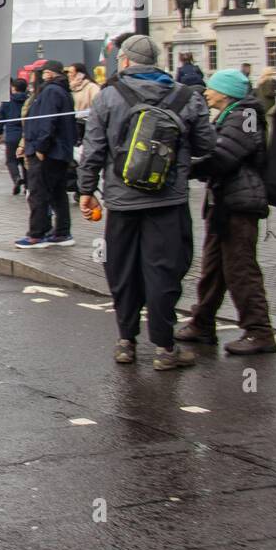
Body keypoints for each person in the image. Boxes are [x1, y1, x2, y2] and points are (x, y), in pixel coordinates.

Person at [78, 34, 216, 370]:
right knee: (164, 272)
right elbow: (205, 145)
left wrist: (85, 190)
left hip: (121, 203)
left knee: (122, 271)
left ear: (124, 61)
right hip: (168, 201)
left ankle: (126, 342)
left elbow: (93, 150)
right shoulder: (187, 97)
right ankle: (165, 348)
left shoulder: (109, 97)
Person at [176, 70, 276, 355]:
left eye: (212, 87)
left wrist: (186, 168)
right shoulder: (231, 114)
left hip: (239, 203)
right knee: (214, 268)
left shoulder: (244, 116)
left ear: (226, 92)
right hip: (225, 203)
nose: (206, 91)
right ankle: (202, 323)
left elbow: (224, 157)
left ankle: (259, 332)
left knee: (240, 269)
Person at [16, 61, 76, 248]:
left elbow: (47, 121)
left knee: (38, 193)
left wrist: (41, 148)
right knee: (57, 193)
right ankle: (62, 232)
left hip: (48, 151)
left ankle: (37, 234)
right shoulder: (62, 91)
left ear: (48, 73)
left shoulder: (50, 91)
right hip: (59, 151)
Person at [0, 79, 29, 195]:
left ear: (13, 88)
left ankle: (16, 178)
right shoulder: (29, 100)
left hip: (11, 135)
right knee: (25, 160)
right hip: (25, 134)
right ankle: (27, 185)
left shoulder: (7, 101)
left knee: (11, 160)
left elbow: (1, 118)